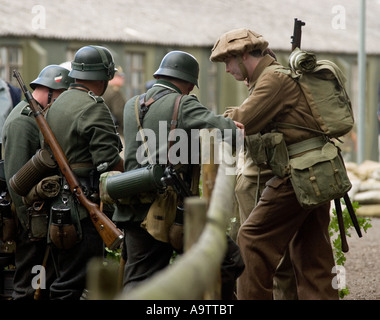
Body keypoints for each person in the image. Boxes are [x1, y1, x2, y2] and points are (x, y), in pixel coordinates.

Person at [210, 28, 339, 300]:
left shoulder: (272, 80)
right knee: (312, 256)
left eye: (227, 61)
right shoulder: (276, 77)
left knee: (251, 240)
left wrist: (225, 115)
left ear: (243, 55)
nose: (226, 69)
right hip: (318, 173)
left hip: (298, 175)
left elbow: (240, 124)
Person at [113, 50, 245, 299]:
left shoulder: (132, 104)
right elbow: (227, 132)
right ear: (187, 82)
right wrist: (231, 125)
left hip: (132, 204)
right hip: (169, 208)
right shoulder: (182, 103)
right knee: (228, 259)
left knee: (140, 280)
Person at [2, 65, 74, 300]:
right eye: (63, 95)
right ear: (51, 91)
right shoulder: (22, 122)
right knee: (30, 286)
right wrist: (31, 227)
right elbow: (16, 180)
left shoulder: (38, 115)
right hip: (31, 221)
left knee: (45, 283)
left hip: (42, 216)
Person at [102, 68, 126, 134]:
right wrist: (125, 125)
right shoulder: (115, 92)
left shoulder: (104, 90)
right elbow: (118, 112)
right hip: (114, 130)